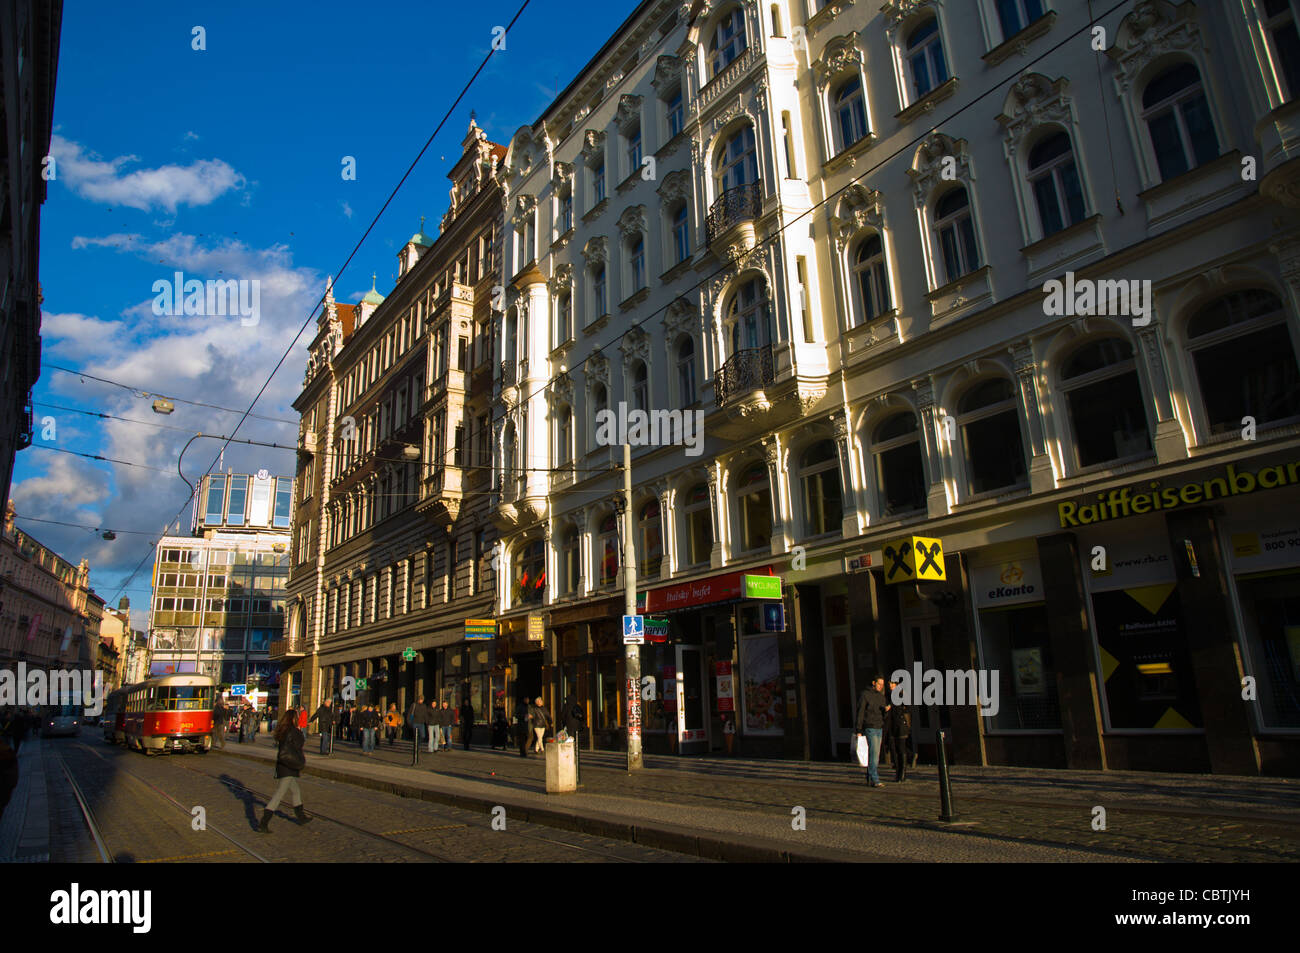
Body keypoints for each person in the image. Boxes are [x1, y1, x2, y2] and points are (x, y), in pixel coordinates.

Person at [258, 709, 310, 833]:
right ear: (293, 718)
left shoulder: (283, 730)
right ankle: (263, 822)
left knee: (295, 790)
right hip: (289, 766)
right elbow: (299, 744)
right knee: (279, 794)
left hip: (283, 765)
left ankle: (301, 817)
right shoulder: (293, 732)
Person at [854, 676, 891, 788]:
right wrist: (859, 729)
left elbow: (883, 714)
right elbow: (860, 712)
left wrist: (885, 711)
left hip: (879, 726)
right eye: (879, 684)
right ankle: (875, 778)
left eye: (882, 685)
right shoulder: (865, 695)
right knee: (874, 753)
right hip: (870, 727)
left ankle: (870, 777)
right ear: (874, 683)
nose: (880, 686)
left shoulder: (881, 697)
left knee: (876, 754)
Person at [884, 678, 911, 783]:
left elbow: (908, 708)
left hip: (900, 724)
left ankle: (902, 773)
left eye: (892, 683)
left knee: (901, 749)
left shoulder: (901, 694)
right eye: (889, 683)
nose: (890, 685)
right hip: (892, 725)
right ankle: (898, 772)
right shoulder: (888, 695)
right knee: (894, 749)